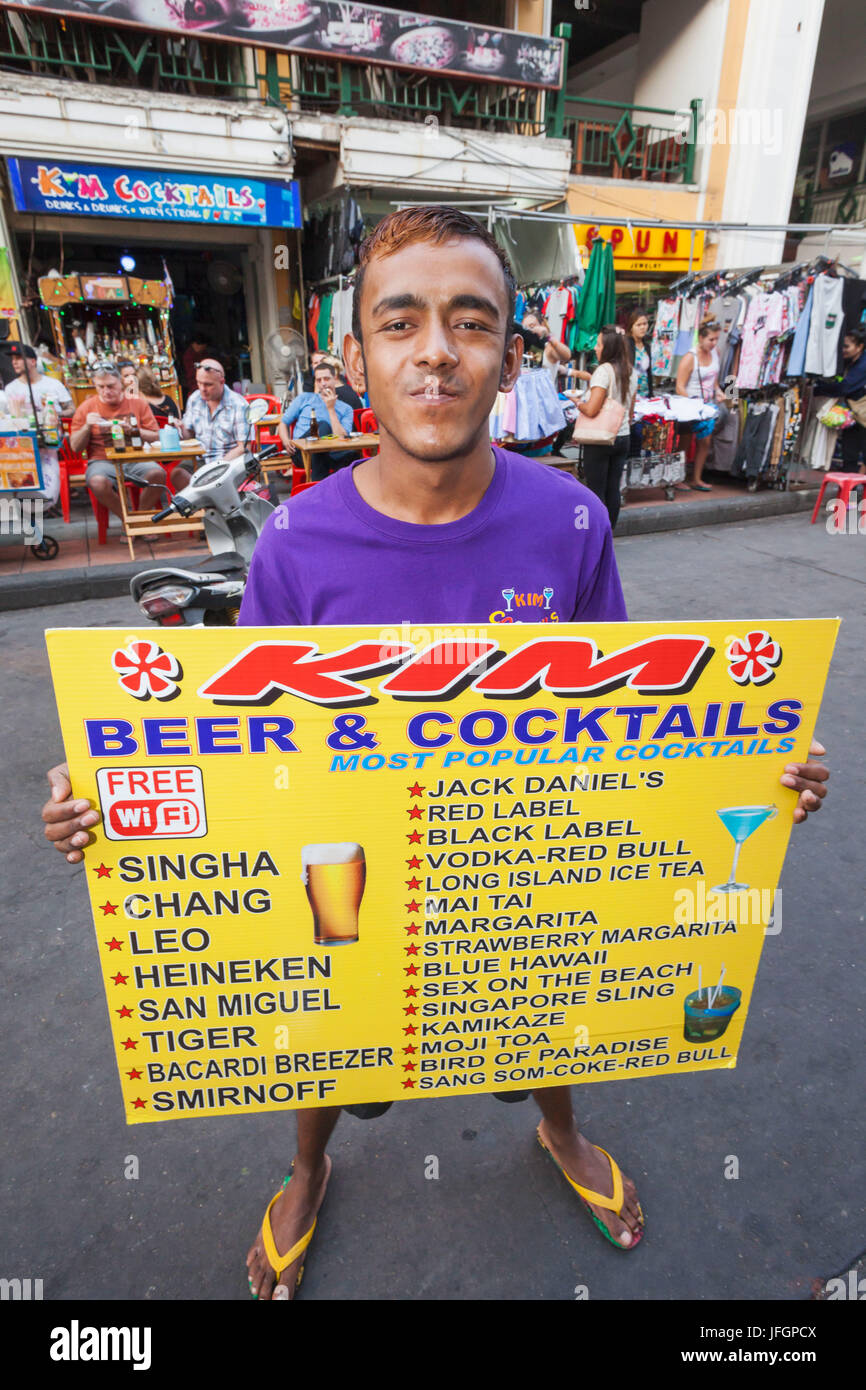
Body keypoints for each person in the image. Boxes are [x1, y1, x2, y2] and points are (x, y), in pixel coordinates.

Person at [41, 205, 830, 1302]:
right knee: (327, 1016)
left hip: (516, 851)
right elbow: (233, 738)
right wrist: (113, 795)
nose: (434, 352)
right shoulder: (294, 541)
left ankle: (557, 1132)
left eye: (469, 323)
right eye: (399, 322)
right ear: (356, 353)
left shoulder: (567, 525)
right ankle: (308, 1165)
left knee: (545, 991)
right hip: (348, 857)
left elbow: (643, 727)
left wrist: (759, 765)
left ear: (508, 357)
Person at [68, 363, 163, 519]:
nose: (106, 391)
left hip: (135, 457)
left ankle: (140, 518)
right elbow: (75, 447)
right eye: (101, 387)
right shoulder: (86, 407)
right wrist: (86, 427)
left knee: (158, 474)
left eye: (111, 386)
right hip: (102, 461)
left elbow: (156, 435)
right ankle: (127, 521)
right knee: (97, 482)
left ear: (121, 383)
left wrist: (133, 430)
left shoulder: (137, 402)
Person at [571, 324, 637, 530]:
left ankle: (595, 535)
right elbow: (631, 411)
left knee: (595, 489)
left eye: (599, 344)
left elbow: (591, 410)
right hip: (623, 435)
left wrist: (576, 402)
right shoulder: (631, 372)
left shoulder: (603, 371)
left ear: (608, 348)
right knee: (613, 488)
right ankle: (610, 532)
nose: (595, 349)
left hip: (601, 439)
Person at [6, 343, 73, 508]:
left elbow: (71, 409)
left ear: (33, 361)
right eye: (13, 359)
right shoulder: (11, 389)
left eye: (19, 358)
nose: (15, 362)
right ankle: (24, 502)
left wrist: (56, 415)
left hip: (51, 440)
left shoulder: (53, 384)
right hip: (22, 443)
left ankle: (43, 498)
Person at [169, 359, 250, 489]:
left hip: (227, 461)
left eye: (208, 385)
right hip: (200, 459)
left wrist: (217, 465)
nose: (202, 389)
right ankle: (203, 501)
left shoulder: (238, 405)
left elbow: (244, 447)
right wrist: (179, 428)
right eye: (199, 383)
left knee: (210, 481)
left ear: (222, 382)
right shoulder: (195, 399)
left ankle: (205, 500)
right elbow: (188, 435)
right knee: (177, 474)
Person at [278, 359, 354, 482]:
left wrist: (331, 409)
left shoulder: (346, 408)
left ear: (335, 378)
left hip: (330, 453)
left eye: (326, 379)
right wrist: (286, 441)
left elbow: (342, 439)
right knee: (322, 426)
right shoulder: (305, 398)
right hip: (302, 452)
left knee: (350, 454)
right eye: (319, 380)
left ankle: (326, 489)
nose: (323, 383)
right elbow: (283, 423)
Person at [676, 318, 727, 491]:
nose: (714, 343)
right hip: (691, 405)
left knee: (705, 442)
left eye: (716, 339)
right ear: (701, 338)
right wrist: (694, 403)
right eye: (711, 339)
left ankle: (696, 478)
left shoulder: (716, 353)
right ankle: (678, 478)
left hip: (708, 406)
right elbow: (679, 386)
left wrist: (719, 392)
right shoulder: (690, 357)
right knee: (685, 441)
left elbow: (714, 381)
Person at [814, 328, 866, 474]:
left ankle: (857, 491)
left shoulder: (862, 365)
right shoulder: (852, 362)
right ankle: (851, 493)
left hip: (862, 418)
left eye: (847, 346)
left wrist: (819, 389)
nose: (843, 350)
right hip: (854, 417)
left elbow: (844, 388)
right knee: (849, 456)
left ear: (860, 347)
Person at [521, 309, 573, 386]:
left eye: (532, 326)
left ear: (542, 325)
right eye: (525, 328)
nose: (529, 330)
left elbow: (567, 355)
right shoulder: (522, 347)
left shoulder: (548, 347)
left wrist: (548, 337)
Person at [627, 309, 653, 400]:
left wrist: (651, 394)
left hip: (645, 395)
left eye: (645, 324)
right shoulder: (626, 345)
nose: (642, 327)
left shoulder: (647, 347)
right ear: (631, 327)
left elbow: (649, 373)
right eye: (638, 325)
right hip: (630, 396)